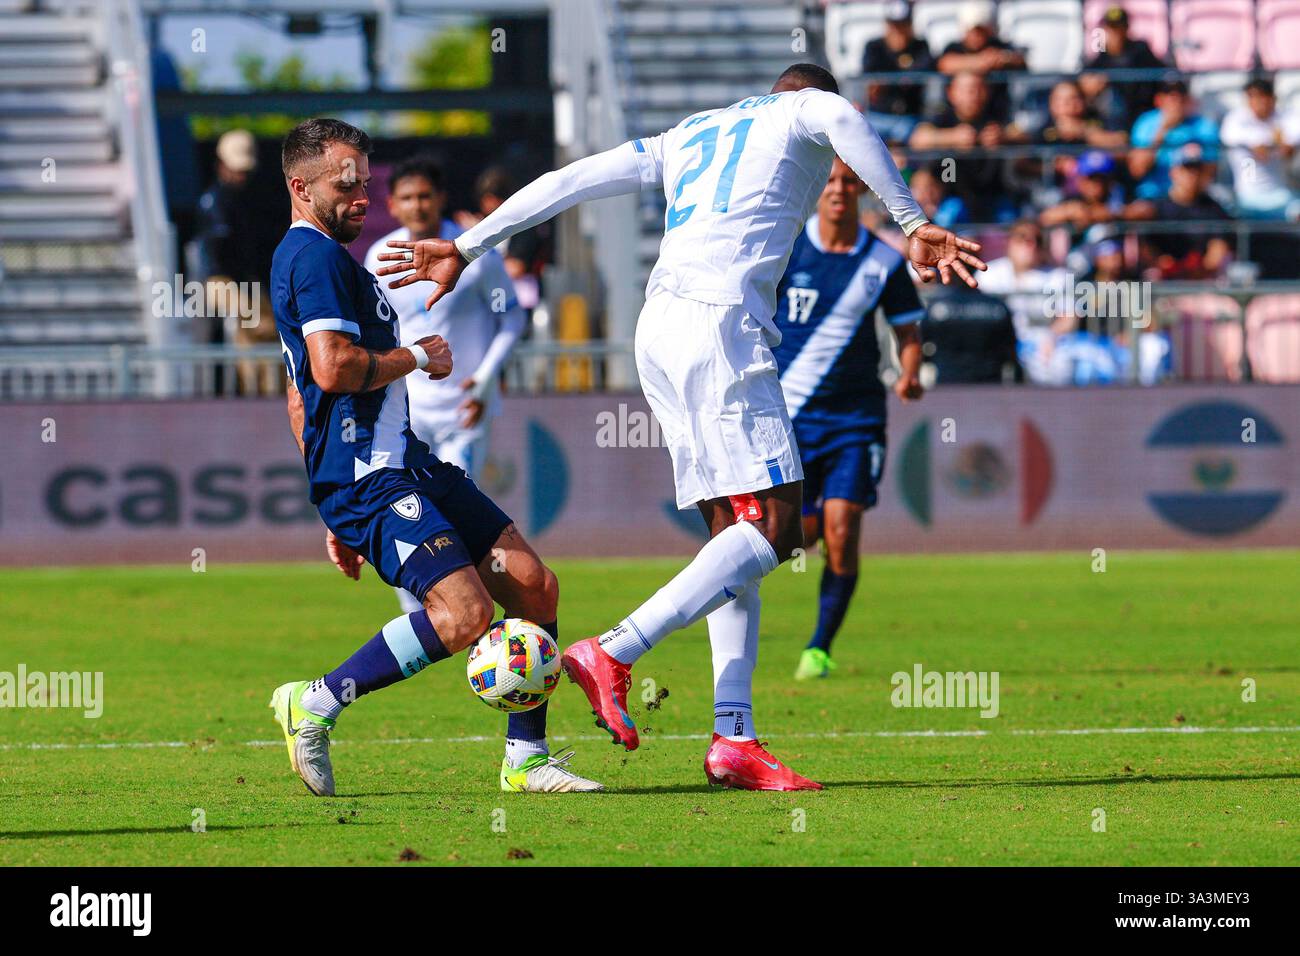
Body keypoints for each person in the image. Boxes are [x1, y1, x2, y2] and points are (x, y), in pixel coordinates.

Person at [378, 64, 985, 792]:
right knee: (776, 528)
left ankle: (735, 737)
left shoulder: (691, 132)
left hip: (659, 329)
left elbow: (571, 180)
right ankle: (614, 649)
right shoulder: (808, 113)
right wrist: (913, 221)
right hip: (720, 324)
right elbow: (846, 119)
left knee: (733, 531)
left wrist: (470, 243)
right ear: (812, 97)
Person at [266, 119, 602, 797]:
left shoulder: (335, 260)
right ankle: (317, 701)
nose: (365, 193)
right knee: (465, 617)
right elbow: (331, 372)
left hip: (406, 465)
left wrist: (330, 507)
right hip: (373, 477)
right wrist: (420, 356)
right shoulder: (314, 259)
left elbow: (300, 396)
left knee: (534, 586)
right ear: (301, 187)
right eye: (347, 180)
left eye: (368, 177)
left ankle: (526, 759)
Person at [769, 158, 925, 681]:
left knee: (843, 528)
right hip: (788, 417)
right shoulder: (787, 250)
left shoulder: (883, 260)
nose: (838, 190)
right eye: (829, 181)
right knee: (788, 536)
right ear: (816, 189)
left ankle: (819, 646)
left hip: (856, 419)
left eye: (848, 182)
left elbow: (907, 330)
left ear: (862, 190)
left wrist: (909, 373)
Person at [363, 157, 526, 614]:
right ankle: (420, 615)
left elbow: (511, 315)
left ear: (440, 199)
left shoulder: (472, 251)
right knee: (402, 512)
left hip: (462, 409)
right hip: (405, 411)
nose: (418, 205)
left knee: (453, 513)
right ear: (393, 205)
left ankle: (465, 610)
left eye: (425, 196)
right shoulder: (380, 258)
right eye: (408, 197)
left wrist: (485, 381)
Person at [910, 71, 1027, 221]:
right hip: (953, 194)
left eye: (979, 89)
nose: (974, 95)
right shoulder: (943, 116)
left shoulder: (996, 114)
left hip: (995, 194)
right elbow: (918, 139)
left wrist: (1003, 136)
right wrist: (951, 137)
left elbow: (1023, 134)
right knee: (948, 216)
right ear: (951, 93)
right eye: (968, 90)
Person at [1132, 144, 1233, 280]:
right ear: (1173, 172)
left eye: (1198, 169)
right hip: (1164, 278)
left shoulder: (1214, 209)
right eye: (1187, 169)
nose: (1193, 175)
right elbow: (1144, 248)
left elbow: (1218, 250)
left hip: (1201, 280)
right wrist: (1161, 263)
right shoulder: (1156, 208)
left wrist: (1196, 270)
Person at [1219, 77, 1300, 221]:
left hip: (1282, 195)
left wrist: (1284, 144)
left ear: (1273, 99)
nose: (1258, 102)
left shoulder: (1287, 117)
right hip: (1246, 197)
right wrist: (1270, 144)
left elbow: (1289, 146)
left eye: (1262, 97)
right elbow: (1254, 147)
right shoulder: (1236, 119)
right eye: (1252, 97)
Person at [1128, 77, 1219, 200]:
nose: (1176, 101)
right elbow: (1137, 170)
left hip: (1190, 198)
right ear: (1159, 100)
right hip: (1154, 198)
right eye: (1170, 95)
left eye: (1180, 96)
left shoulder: (1204, 126)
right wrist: (1163, 130)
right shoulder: (1146, 123)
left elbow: (1209, 172)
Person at [861, 0, 934, 144]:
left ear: (910, 24)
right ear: (887, 24)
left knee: (925, 138)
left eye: (903, 24)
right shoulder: (874, 47)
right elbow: (873, 83)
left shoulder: (920, 46)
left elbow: (918, 77)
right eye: (894, 25)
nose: (898, 30)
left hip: (911, 117)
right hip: (878, 116)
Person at [1083, 5, 1167, 128]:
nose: (1116, 33)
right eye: (1111, 28)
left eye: (1119, 28)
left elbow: (1162, 75)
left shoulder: (1141, 51)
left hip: (1143, 113)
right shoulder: (1101, 58)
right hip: (1114, 119)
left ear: (1127, 28)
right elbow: (1086, 81)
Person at [921, 282, 1021, 384]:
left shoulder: (938, 306)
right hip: (989, 383)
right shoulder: (997, 306)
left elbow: (921, 342)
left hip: (949, 382)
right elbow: (1010, 347)